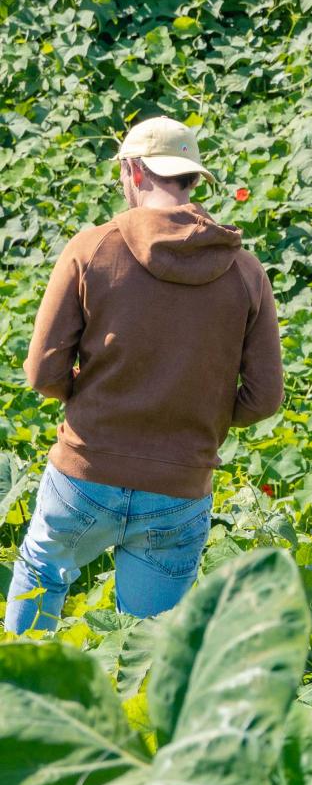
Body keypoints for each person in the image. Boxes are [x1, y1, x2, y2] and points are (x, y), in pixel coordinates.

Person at [5, 116, 283, 633]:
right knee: (146, 642)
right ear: (193, 179)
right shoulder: (245, 271)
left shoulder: (91, 249)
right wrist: (202, 415)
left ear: (134, 171)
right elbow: (265, 397)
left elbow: (42, 371)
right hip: (180, 484)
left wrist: (90, 398)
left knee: (42, 572)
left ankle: (17, 702)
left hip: (85, 473)